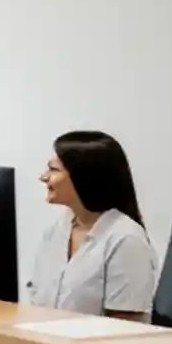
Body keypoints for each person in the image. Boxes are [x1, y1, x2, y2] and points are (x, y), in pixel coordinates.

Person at [27, 131, 157, 320]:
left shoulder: (126, 240)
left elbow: (126, 329)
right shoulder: (57, 230)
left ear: (83, 177)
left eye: (53, 170)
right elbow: (37, 303)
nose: (43, 177)